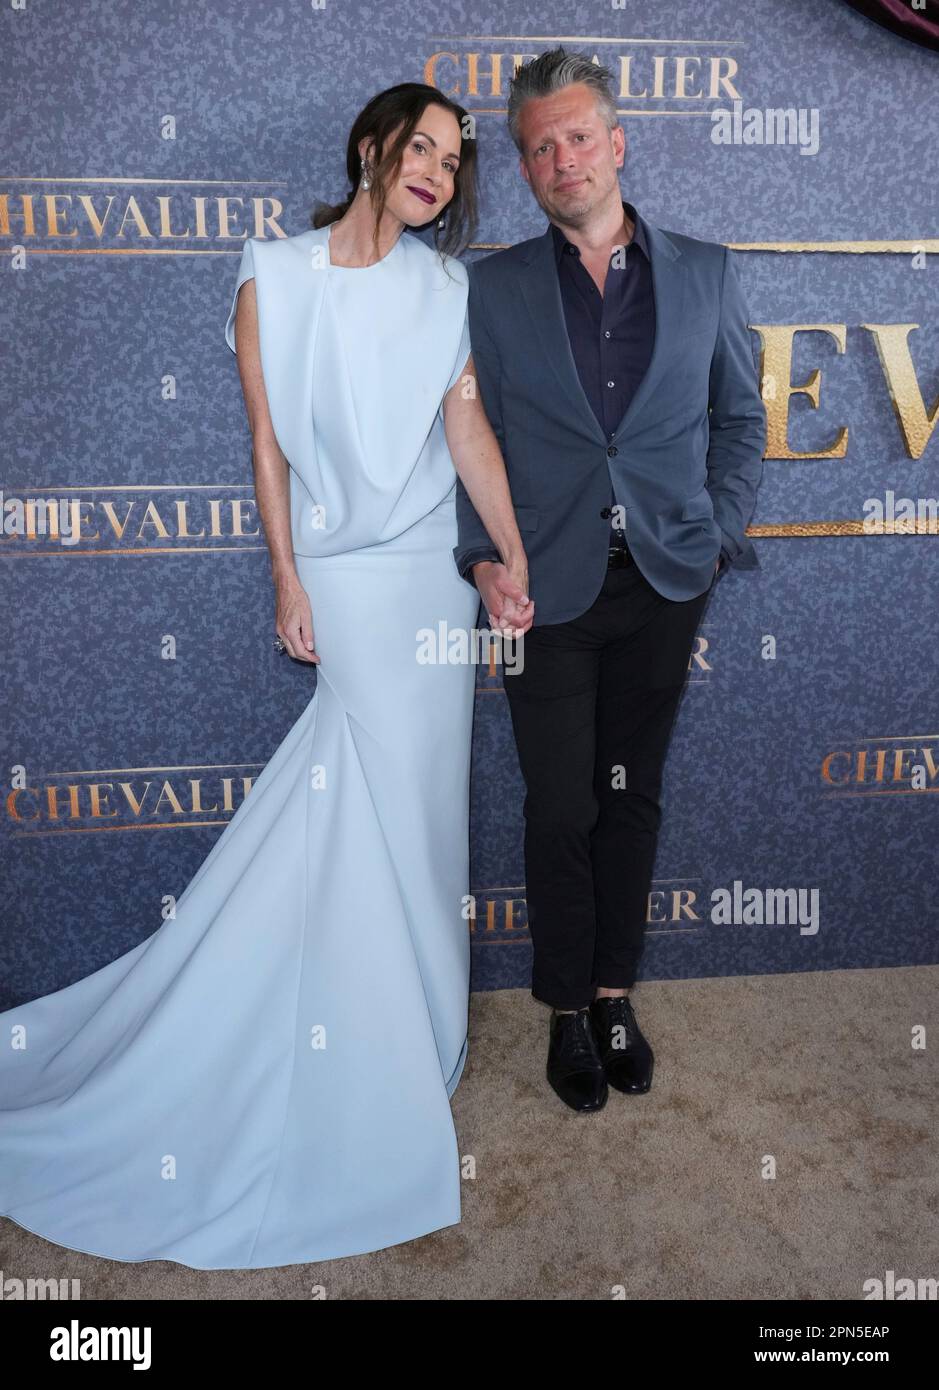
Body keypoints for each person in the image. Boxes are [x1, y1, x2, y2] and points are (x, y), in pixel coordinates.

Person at [0, 82, 533, 1268]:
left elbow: (468, 433)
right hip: (343, 584)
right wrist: (286, 580)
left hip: (426, 593)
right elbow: (264, 442)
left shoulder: (447, 289)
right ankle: (354, 1043)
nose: (438, 172)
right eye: (422, 147)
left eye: (454, 160)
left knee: (420, 819)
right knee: (360, 809)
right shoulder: (270, 274)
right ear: (367, 147)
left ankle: (428, 1032)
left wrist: (508, 549)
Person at [454, 48, 766, 1113]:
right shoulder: (491, 289)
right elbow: (465, 435)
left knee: (632, 798)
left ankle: (615, 994)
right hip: (544, 588)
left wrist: (717, 530)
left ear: (618, 143)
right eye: (539, 146)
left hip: (667, 582)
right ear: (527, 169)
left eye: (578, 135)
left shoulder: (708, 271)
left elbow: (741, 418)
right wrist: (485, 559)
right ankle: (562, 1010)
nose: (561, 157)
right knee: (560, 804)